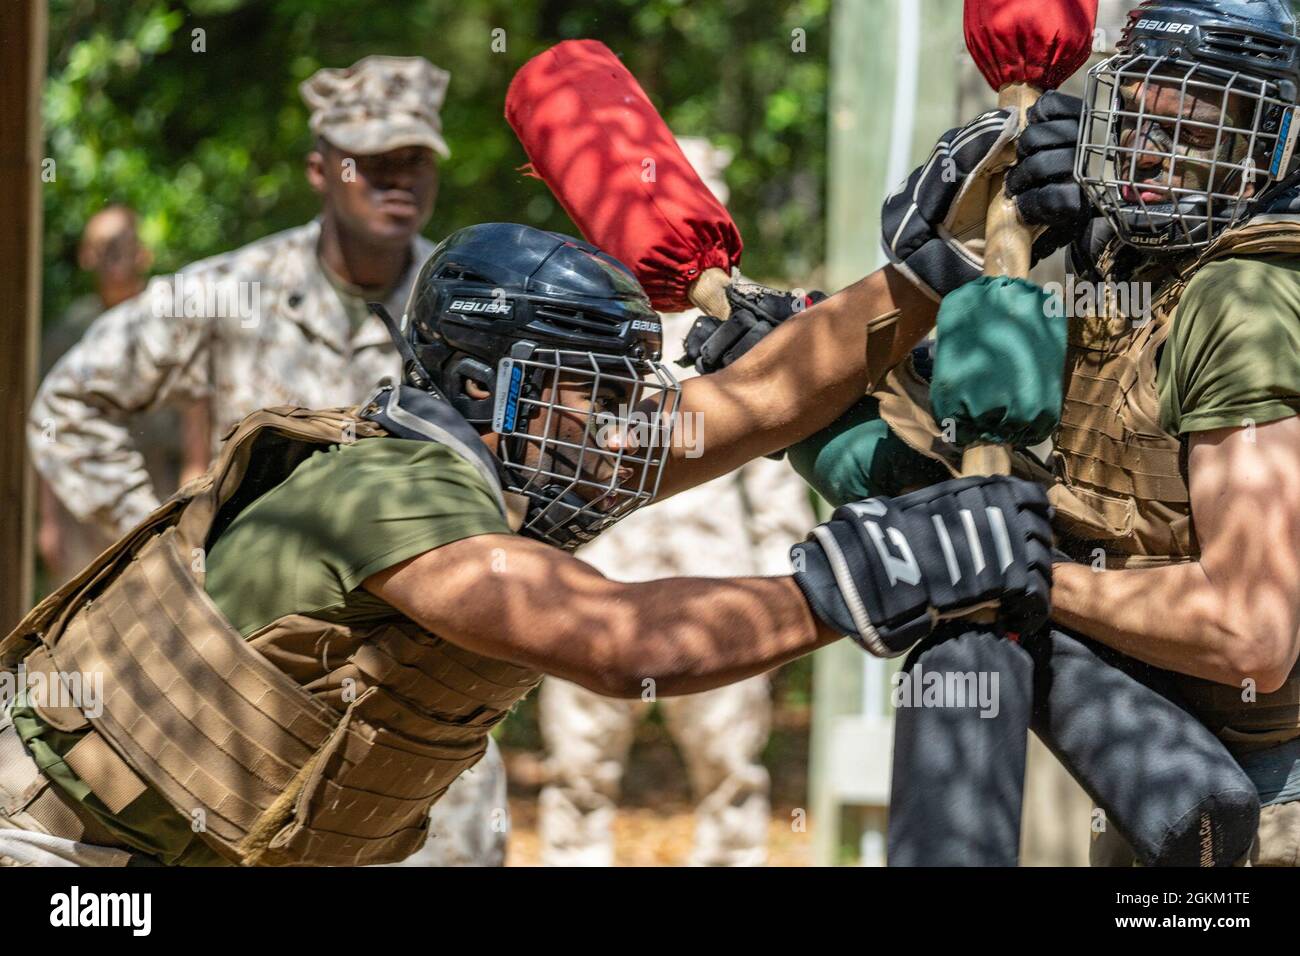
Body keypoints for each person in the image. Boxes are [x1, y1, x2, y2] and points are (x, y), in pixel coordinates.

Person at [0, 221, 1053, 867]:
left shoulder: (517, 461)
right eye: (585, 392)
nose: (615, 422)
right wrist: (874, 571)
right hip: (50, 844)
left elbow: (760, 396)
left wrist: (925, 267)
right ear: (479, 388)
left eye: (620, 391)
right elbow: (625, 644)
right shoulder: (389, 488)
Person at [792, 0, 1300, 865]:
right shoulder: (1129, 275)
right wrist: (824, 351)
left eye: (1202, 124)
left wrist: (1020, 570)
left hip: (1266, 806)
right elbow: (1041, 484)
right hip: (1161, 771)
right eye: (1145, 111)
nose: (1154, 154)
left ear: (1272, 140)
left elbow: (1248, 629)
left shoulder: (1242, 298)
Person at [26, 55, 507, 867]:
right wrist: (175, 549)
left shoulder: (469, 305)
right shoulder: (232, 290)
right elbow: (68, 404)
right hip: (247, 699)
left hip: (424, 697)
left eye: (415, 160)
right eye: (373, 160)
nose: (398, 180)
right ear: (321, 169)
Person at [536, 138, 813, 868]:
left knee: (729, 771)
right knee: (577, 768)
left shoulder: (744, 317)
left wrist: (776, 580)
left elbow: (776, 458)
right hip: (596, 571)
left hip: (715, 576)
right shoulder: (574, 316)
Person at [35, 205, 208, 588]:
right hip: (86, 504)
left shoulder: (169, 320)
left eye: (120, 244)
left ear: (142, 253)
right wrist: (48, 521)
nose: (111, 255)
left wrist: (193, 502)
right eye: (100, 246)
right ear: (85, 256)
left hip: (160, 492)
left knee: (160, 604)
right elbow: (47, 427)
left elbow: (196, 409)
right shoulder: (68, 333)